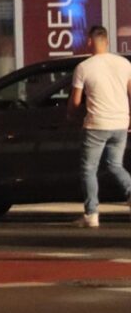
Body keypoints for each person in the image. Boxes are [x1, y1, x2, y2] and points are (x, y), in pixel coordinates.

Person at [68, 25, 131, 227]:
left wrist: (72, 116)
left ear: (89, 41)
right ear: (108, 42)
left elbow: (76, 101)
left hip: (96, 123)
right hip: (121, 123)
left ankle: (91, 214)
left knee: (88, 168)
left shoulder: (84, 67)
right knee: (115, 165)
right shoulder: (124, 64)